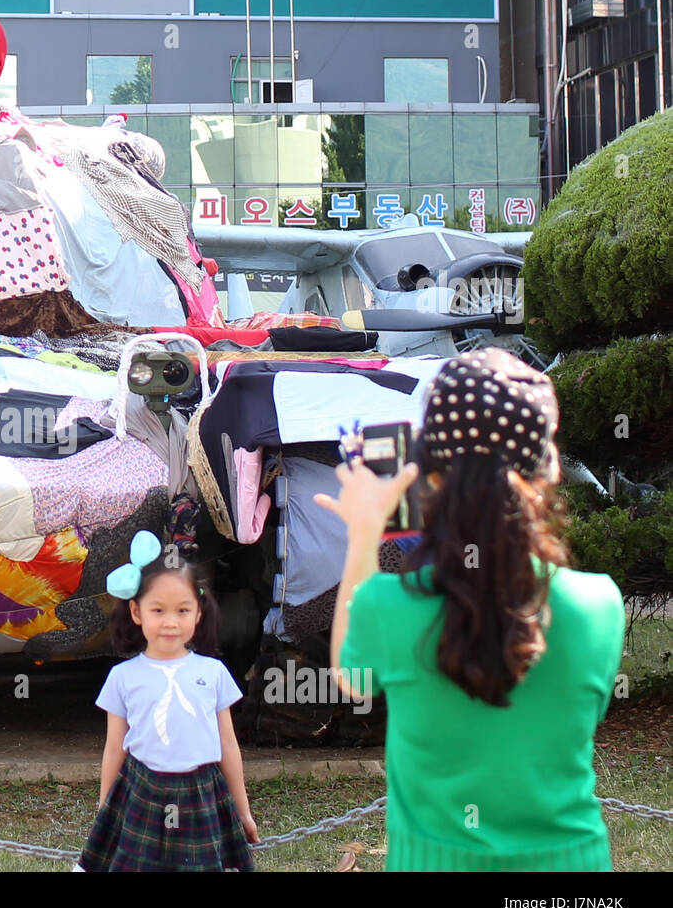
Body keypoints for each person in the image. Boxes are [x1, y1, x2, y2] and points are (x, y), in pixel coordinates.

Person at [314, 348, 625, 871]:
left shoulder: (390, 606)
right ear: (547, 470)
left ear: (430, 474)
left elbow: (353, 676)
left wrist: (365, 535)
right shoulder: (600, 604)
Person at [76, 531, 260, 871]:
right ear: (136, 611)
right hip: (140, 792)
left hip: (202, 795)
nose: (171, 622)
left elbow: (228, 746)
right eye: (158, 610)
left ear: (198, 613)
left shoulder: (215, 673)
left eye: (183, 610)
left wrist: (242, 809)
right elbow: (115, 748)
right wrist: (105, 809)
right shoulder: (123, 677)